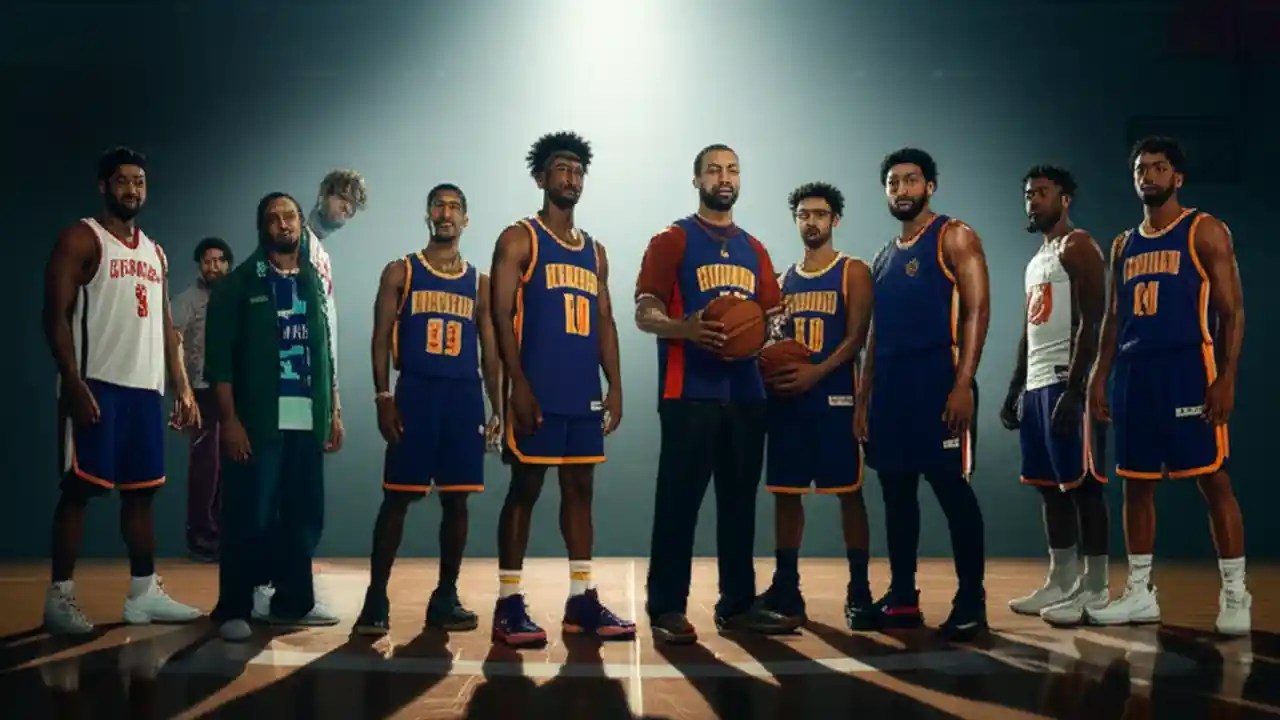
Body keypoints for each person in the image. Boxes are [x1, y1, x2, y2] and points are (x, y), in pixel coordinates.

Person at [1085, 137, 1250, 635]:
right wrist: (1098, 373)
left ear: (1177, 177)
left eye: (1159, 168)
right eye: (1141, 168)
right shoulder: (1122, 244)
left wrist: (1226, 377)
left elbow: (1231, 311)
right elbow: (1114, 318)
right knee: (1136, 483)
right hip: (1135, 375)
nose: (1148, 175)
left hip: (1188, 370)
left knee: (1213, 479)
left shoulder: (1203, 230)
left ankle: (1237, 593)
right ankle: (1139, 593)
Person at [635, 143, 792, 645]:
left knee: (739, 505)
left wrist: (772, 336)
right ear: (697, 179)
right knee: (678, 504)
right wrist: (685, 328)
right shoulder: (673, 239)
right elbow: (644, 311)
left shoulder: (755, 247)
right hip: (690, 392)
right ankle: (666, 607)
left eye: (732, 170)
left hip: (746, 394)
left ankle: (737, 605)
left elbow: (771, 316)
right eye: (714, 170)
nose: (724, 178)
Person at [41, 146, 202, 635]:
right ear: (104, 186)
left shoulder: (155, 252)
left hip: (143, 391)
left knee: (142, 495)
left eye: (139, 182)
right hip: (96, 384)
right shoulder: (81, 238)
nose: (132, 189)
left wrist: (181, 388)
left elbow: (166, 325)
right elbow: (55, 314)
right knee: (80, 490)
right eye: (123, 180)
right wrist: (71, 382)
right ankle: (59, 597)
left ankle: (142, 594)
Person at [488, 131, 633, 646]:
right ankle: (507, 604)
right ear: (541, 178)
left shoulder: (595, 251)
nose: (570, 177)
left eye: (577, 170)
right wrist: (517, 386)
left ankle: (581, 602)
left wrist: (615, 384)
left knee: (580, 491)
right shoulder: (519, 238)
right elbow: (499, 315)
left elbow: (606, 321)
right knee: (525, 489)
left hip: (582, 392)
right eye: (561, 169)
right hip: (537, 390)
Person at [854, 147, 990, 641]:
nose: (901, 190)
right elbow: (873, 334)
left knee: (952, 491)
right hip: (891, 389)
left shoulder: (953, 235)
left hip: (939, 383)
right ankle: (904, 594)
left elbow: (976, 311)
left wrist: (962, 384)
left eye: (911, 181)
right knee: (896, 494)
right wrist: (865, 398)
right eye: (893, 183)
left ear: (929, 186)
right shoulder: (883, 256)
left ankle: (971, 599)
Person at [353, 184, 502, 635]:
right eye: (439, 205)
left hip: (462, 397)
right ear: (427, 214)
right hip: (415, 393)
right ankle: (375, 598)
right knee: (397, 498)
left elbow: (490, 350)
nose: (446, 213)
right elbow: (380, 338)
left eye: (455, 207)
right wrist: (383, 396)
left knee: (457, 502)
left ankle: (445, 595)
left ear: (466, 219)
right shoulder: (402, 270)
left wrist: (499, 407)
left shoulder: (479, 281)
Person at [206, 192, 342, 642]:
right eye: (273, 218)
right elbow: (220, 363)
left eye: (290, 216)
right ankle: (233, 608)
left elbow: (324, 351)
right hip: (259, 421)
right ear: (262, 228)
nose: (283, 224)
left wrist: (332, 409)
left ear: (301, 224)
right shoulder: (239, 284)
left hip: (306, 419)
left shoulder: (311, 281)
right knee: (250, 515)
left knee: (304, 514)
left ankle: (292, 601)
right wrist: (229, 421)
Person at [758, 182, 876, 631]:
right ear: (796, 220)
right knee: (786, 496)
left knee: (849, 494)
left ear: (835, 220)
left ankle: (859, 589)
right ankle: (787, 586)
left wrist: (816, 372)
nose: (812, 221)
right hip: (789, 402)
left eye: (820, 214)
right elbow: (774, 342)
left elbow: (856, 340)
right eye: (804, 214)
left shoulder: (853, 271)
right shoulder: (783, 282)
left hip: (835, 400)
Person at [1000, 166, 1111, 626]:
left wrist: (1076, 387)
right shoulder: (1036, 259)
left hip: (1069, 381)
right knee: (1049, 489)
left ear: (1065, 199)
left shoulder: (1078, 246)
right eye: (1028, 194)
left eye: (1042, 193)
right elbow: (1031, 329)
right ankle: (1061, 579)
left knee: (1083, 488)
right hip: (1038, 384)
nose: (1033, 202)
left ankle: (1098, 587)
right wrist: (1015, 386)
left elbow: (1095, 320)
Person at [253, 169, 365, 618]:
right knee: (271, 497)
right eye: (341, 199)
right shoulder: (281, 249)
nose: (345, 210)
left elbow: (325, 331)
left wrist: (332, 396)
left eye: (352, 207)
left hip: (311, 390)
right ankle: (260, 588)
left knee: (303, 499)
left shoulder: (320, 256)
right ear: (321, 196)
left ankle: (292, 589)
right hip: (279, 390)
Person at [172, 236, 234, 563]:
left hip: (234, 393)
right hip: (202, 391)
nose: (214, 266)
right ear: (200, 265)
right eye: (207, 260)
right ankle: (201, 537)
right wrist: (182, 393)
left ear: (227, 264)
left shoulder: (238, 296)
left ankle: (228, 536)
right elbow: (172, 345)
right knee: (205, 467)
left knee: (233, 466)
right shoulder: (186, 300)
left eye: (220, 260)